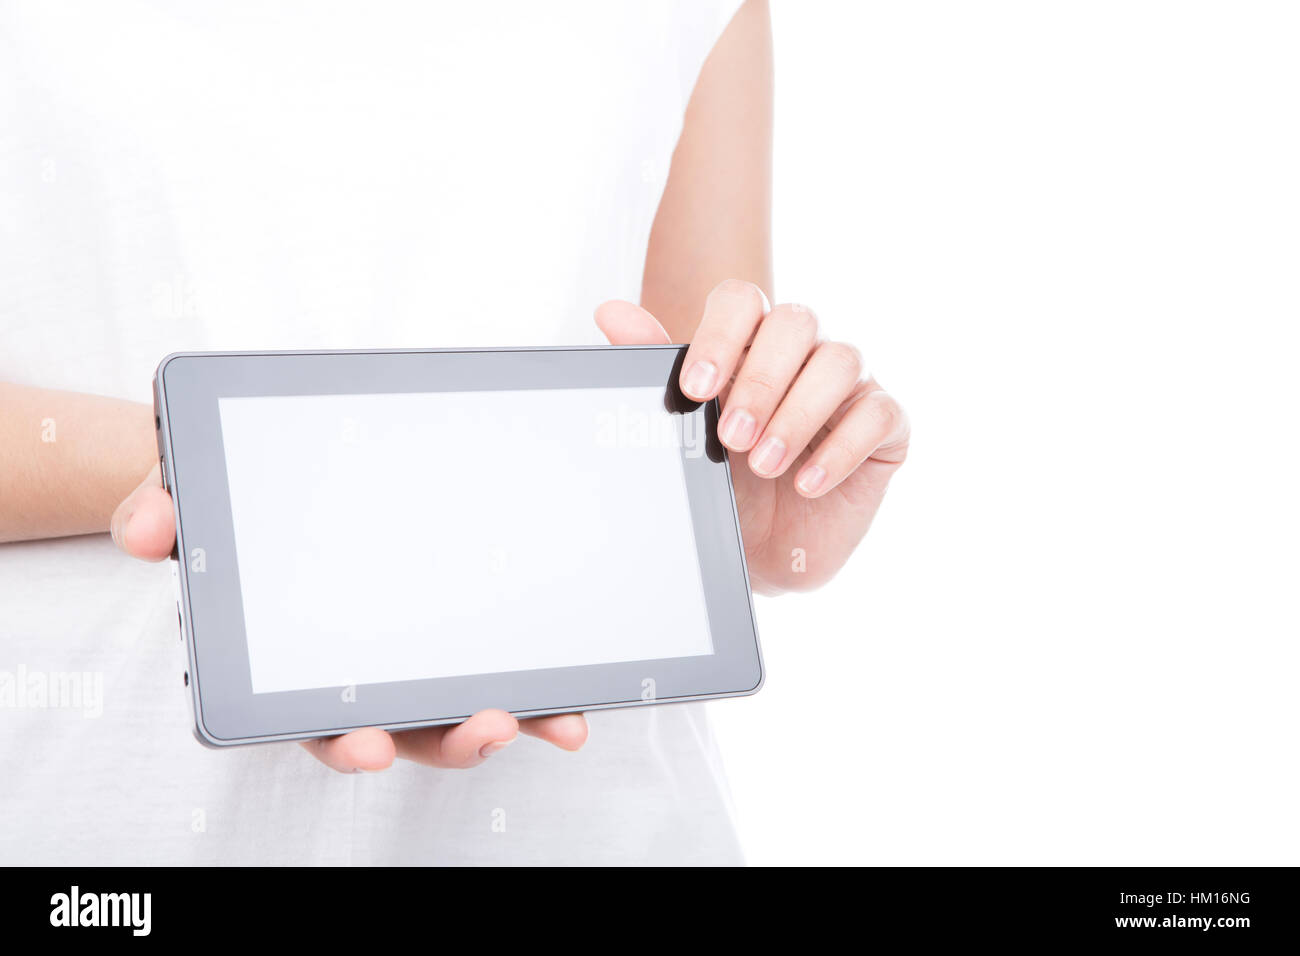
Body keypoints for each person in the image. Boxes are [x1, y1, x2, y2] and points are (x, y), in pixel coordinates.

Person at [0, 0, 907, 864]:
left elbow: (682, 376)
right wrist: (257, 484)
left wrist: (743, 500)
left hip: (599, 824)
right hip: (104, 827)